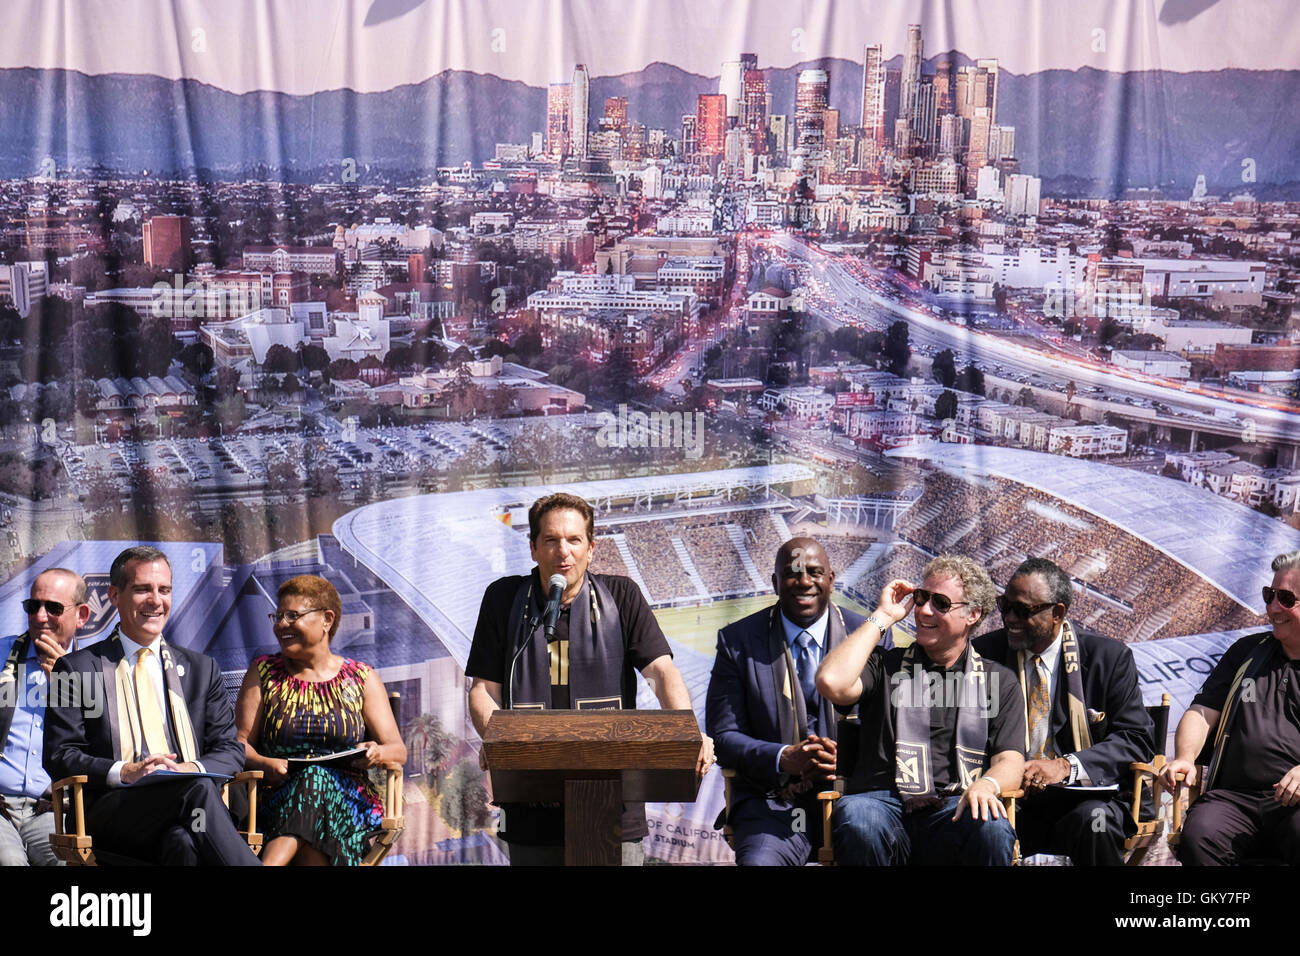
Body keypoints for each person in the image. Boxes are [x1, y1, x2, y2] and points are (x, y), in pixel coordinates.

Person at [466, 492, 713, 866]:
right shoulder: (503, 600)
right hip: (531, 813)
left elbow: (662, 672)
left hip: (615, 811)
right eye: (550, 540)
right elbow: (483, 691)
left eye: (574, 540)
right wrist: (498, 739)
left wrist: (685, 729)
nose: (562, 551)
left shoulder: (621, 596)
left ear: (591, 548)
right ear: (533, 548)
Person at [43, 545, 260, 865]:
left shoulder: (202, 669)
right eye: (143, 589)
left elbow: (230, 750)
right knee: (197, 791)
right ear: (114, 596)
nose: (156, 601)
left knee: (182, 841)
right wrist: (126, 772)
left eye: (164, 590)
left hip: (193, 814)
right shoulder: (75, 669)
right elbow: (60, 755)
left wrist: (189, 769)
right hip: (112, 813)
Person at [816, 554, 1025, 866]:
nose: (924, 610)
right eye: (921, 597)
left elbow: (1010, 760)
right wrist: (883, 617)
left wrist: (988, 784)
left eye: (940, 603)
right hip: (881, 802)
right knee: (860, 819)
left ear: (972, 614)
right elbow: (831, 681)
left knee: (992, 828)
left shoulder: (999, 681)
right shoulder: (885, 665)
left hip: (956, 802)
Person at [973, 557, 1152, 865]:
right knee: (969, 825)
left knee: (1094, 821)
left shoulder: (1107, 658)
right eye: (1005, 606)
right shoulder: (982, 654)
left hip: (1089, 800)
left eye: (1023, 610)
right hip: (1008, 800)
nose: (1009, 618)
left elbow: (1136, 738)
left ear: (1057, 613)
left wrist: (1065, 766)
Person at [706, 536, 873, 865]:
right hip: (773, 803)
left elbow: (889, 728)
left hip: (855, 798)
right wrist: (783, 757)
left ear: (831, 579)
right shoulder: (737, 641)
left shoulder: (865, 635)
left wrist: (846, 756)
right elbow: (723, 738)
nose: (805, 582)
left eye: (814, 572)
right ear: (775, 582)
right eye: (793, 573)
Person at [235, 574, 405, 866]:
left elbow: (397, 750)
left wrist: (375, 753)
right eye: (277, 616)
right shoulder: (263, 672)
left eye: (292, 615)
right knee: (313, 787)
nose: (280, 625)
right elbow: (240, 745)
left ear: (327, 619)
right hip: (280, 796)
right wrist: (266, 764)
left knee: (319, 782)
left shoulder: (361, 677)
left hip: (351, 801)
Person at [1157, 549, 1300, 865]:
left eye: (1286, 599)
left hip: (1296, 805)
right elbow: (1202, 712)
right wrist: (1184, 757)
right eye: (1269, 595)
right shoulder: (1247, 652)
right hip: (1235, 799)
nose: (1273, 607)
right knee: (1201, 835)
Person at [0, 569, 90, 866]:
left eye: (52, 608)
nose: (40, 617)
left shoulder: (94, 670)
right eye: (32, 606)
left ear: (82, 615)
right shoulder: (2, 654)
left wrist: (63, 683)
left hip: (54, 809)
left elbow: (101, 749)